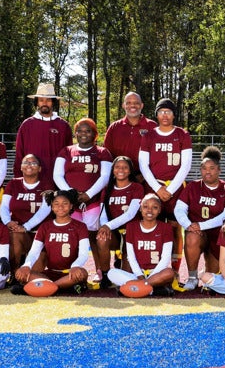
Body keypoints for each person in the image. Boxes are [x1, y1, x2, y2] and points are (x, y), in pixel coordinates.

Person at [53, 118, 112, 283]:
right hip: (71, 203)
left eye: (88, 131)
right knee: (71, 236)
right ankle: (69, 270)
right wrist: (71, 193)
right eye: (80, 131)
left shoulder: (102, 152)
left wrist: (88, 193)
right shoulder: (66, 151)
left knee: (93, 236)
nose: (84, 134)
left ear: (94, 134)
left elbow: (105, 176)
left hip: (92, 201)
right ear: (75, 133)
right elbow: (57, 175)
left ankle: (99, 270)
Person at [138, 98, 193, 271]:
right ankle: (156, 269)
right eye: (161, 112)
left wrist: (169, 189)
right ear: (156, 114)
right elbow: (143, 165)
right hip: (154, 188)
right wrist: (158, 189)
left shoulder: (182, 134)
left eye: (168, 111)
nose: (165, 115)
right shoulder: (149, 135)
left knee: (176, 228)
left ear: (174, 115)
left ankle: (175, 270)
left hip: (176, 189)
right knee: (155, 228)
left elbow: (186, 165)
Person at [174, 146, 225, 291]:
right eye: (204, 168)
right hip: (197, 233)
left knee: (212, 278)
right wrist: (188, 225)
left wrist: (201, 226)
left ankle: (205, 273)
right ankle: (192, 277)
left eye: (212, 168)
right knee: (191, 237)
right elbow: (179, 209)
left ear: (219, 170)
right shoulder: (192, 187)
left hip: (218, 235)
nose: (207, 171)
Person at [13, 189, 90, 295]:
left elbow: (84, 253)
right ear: (52, 207)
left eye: (65, 203)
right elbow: (34, 251)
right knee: (20, 273)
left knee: (82, 273)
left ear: (71, 206)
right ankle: (58, 288)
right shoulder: (45, 227)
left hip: (70, 273)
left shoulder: (80, 226)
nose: (60, 207)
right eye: (56, 204)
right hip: (49, 274)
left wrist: (75, 266)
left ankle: (44, 288)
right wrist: (26, 265)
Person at [107, 194, 176, 296]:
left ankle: (135, 288)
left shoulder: (166, 228)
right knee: (111, 273)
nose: (149, 210)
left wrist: (152, 276)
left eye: (155, 207)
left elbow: (165, 258)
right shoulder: (131, 227)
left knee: (169, 273)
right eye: (145, 207)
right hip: (137, 274)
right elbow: (131, 256)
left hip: (157, 274)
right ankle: (152, 290)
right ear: (140, 209)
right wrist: (139, 275)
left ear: (160, 210)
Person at [95, 156, 145, 286]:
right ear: (113, 170)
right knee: (101, 238)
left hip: (132, 232)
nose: (120, 170)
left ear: (130, 171)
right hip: (114, 232)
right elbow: (103, 213)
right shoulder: (107, 189)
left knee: (125, 278)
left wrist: (107, 225)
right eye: (117, 167)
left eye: (125, 167)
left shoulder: (137, 187)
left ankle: (123, 268)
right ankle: (105, 275)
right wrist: (105, 226)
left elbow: (130, 214)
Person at [0, 154, 53, 275]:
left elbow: (45, 210)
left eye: (33, 163)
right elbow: (4, 206)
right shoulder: (13, 184)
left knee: (34, 272)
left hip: (39, 236)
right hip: (18, 232)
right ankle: (12, 273)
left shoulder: (47, 185)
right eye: (26, 162)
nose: (29, 165)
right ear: (21, 167)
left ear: (39, 168)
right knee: (15, 235)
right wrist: (8, 222)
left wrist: (26, 227)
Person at [14, 83, 73, 187]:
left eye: (48, 100)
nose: (44, 103)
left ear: (53, 102)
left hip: (57, 181)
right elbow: (19, 154)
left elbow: (69, 156)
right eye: (41, 100)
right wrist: (19, 180)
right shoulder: (27, 125)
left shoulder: (63, 125)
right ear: (37, 102)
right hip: (32, 180)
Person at [103, 92, 158, 181]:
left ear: (141, 105)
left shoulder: (152, 126)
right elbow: (107, 155)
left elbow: (157, 155)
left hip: (146, 178)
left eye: (136, 103)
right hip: (119, 177)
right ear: (123, 105)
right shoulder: (114, 127)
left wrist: (144, 176)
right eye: (128, 103)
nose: (132, 106)